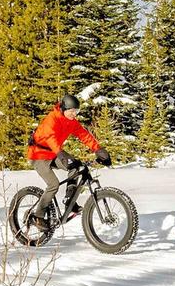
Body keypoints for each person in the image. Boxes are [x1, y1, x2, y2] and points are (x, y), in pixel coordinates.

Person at [26, 93, 111, 228]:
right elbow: (50, 138)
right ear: (64, 109)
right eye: (72, 111)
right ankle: (38, 216)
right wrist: (60, 153)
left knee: (76, 166)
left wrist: (98, 150)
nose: (74, 114)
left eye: (76, 111)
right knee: (53, 184)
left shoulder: (71, 122)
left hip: (54, 153)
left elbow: (84, 135)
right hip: (38, 155)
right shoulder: (52, 119)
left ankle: (69, 200)